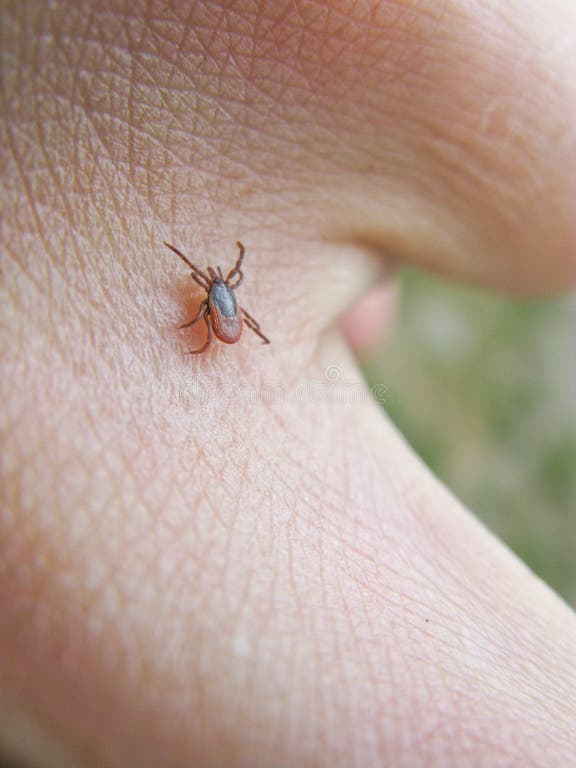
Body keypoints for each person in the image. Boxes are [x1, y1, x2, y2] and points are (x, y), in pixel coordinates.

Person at [1, 1, 575, 765]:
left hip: (226, 338)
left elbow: (218, 313)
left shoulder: (212, 309)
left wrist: (202, 328)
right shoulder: (221, 300)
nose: (213, 291)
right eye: (211, 290)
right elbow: (229, 303)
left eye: (214, 288)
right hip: (236, 333)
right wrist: (212, 315)